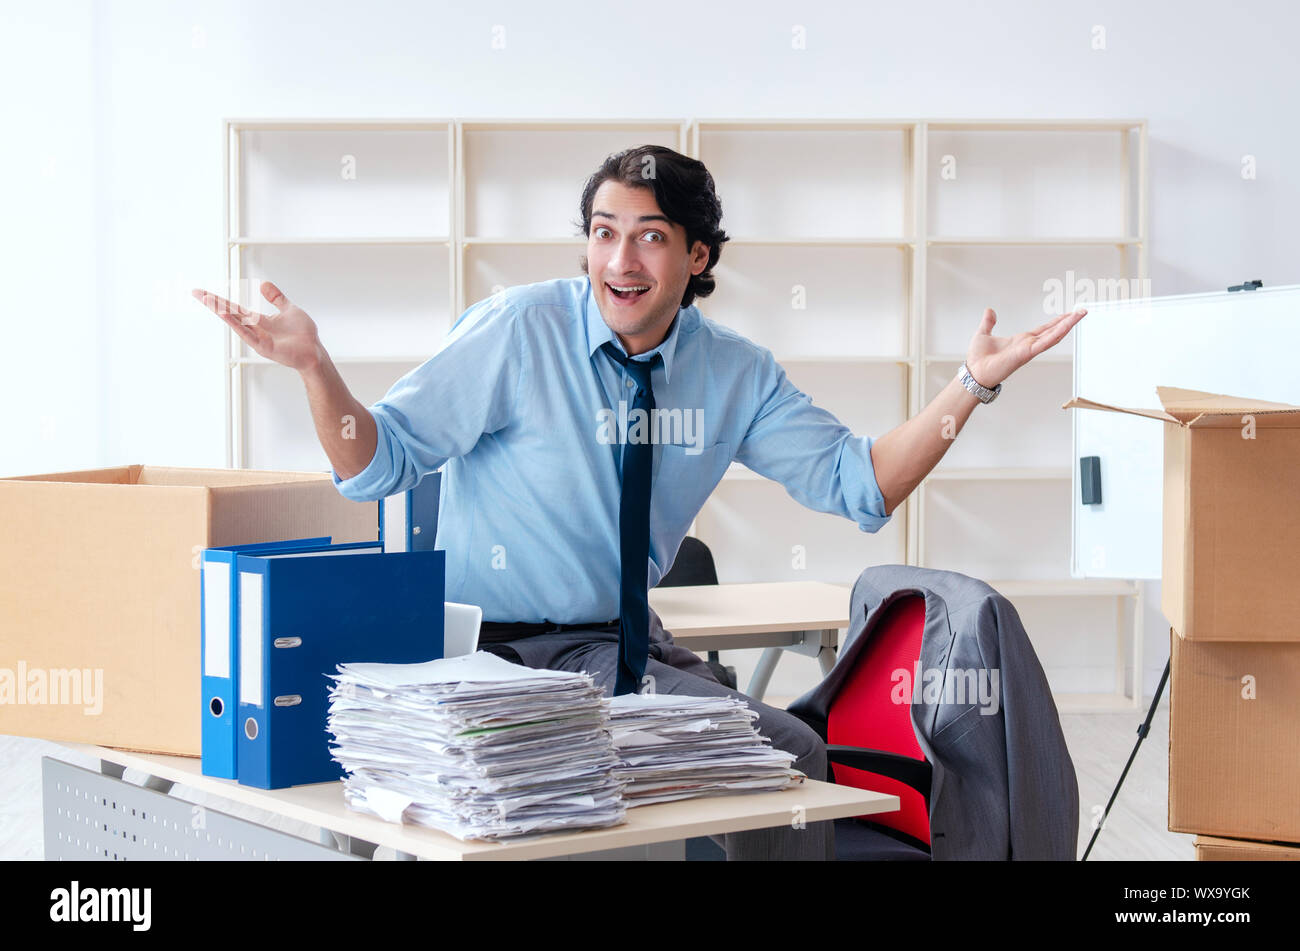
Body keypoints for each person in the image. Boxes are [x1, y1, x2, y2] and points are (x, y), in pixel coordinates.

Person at [192, 144, 1084, 860]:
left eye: (650, 236)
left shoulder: (731, 372)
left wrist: (971, 385)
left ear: (697, 257)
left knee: (782, 745)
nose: (619, 259)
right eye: (602, 231)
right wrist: (316, 369)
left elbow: (862, 485)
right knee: (789, 755)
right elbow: (378, 462)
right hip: (506, 656)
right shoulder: (517, 330)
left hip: (621, 643)